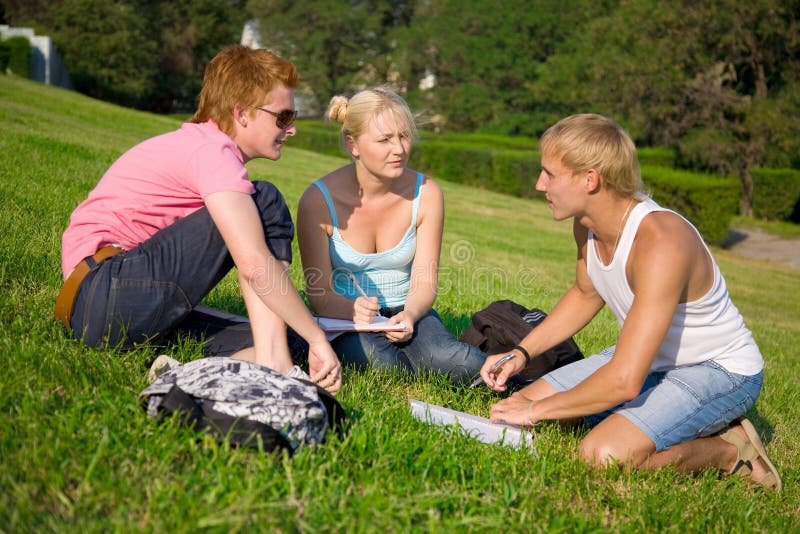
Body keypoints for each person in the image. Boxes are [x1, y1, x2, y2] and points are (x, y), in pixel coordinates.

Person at [479, 114, 781, 491]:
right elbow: (586, 294)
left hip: (719, 371)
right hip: (650, 359)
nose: (540, 185)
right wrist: (522, 353)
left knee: (600, 456)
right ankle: (655, 417)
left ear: (590, 179)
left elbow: (624, 380)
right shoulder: (586, 224)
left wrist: (537, 410)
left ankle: (727, 449)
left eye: (549, 174)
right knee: (516, 410)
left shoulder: (662, 240)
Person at [55, 45, 341, 394]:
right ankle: (273, 364)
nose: (291, 129)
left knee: (287, 335)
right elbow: (253, 263)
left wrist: (307, 337)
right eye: (283, 117)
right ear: (243, 113)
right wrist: (318, 338)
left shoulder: (203, 146)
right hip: (107, 291)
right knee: (264, 200)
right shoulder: (212, 152)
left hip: (112, 308)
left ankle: (190, 372)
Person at [296, 87, 486, 385]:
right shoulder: (317, 200)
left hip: (407, 308)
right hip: (346, 318)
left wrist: (410, 315)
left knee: (462, 362)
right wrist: (351, 309)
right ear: (353, 144)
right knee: (386, 368)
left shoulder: (428, 194)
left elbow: (424, 281)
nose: (399, 148)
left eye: (404, 135)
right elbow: (319, 294)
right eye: (384, 139)